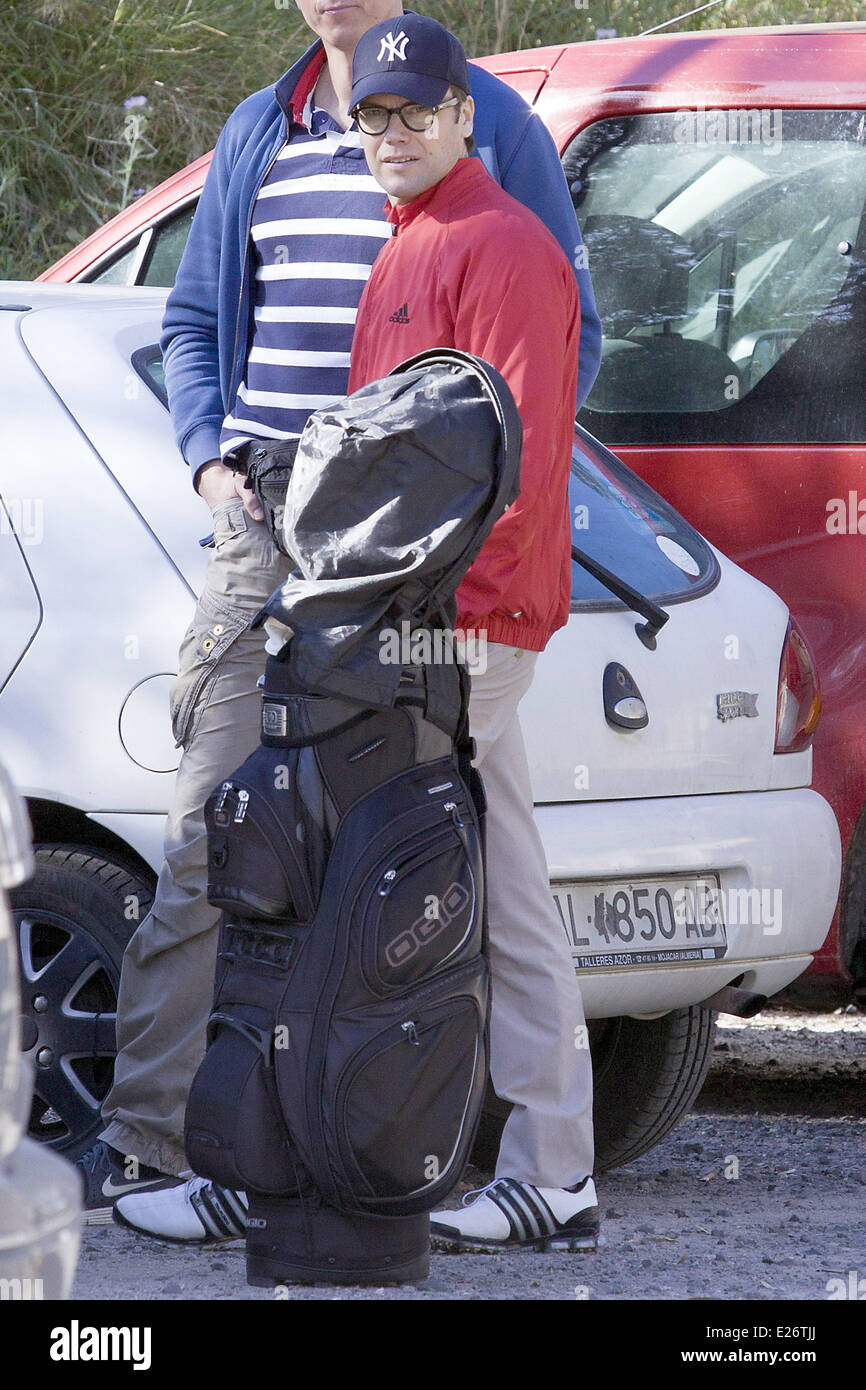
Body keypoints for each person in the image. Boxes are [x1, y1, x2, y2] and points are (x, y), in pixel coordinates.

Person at [80, 0, 601, 1244]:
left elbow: (520, 425)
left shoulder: (487, 209)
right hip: (292, 549)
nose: (392, 129)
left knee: (461, 860)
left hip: (421, 595)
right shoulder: (282, 144)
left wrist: (448, 610)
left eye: (416, 111)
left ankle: (517, 1161)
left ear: (460, 114)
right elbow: (201, 325)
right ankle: (203, 1148)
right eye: (375, 114)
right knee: (244, 828)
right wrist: (215, 463)